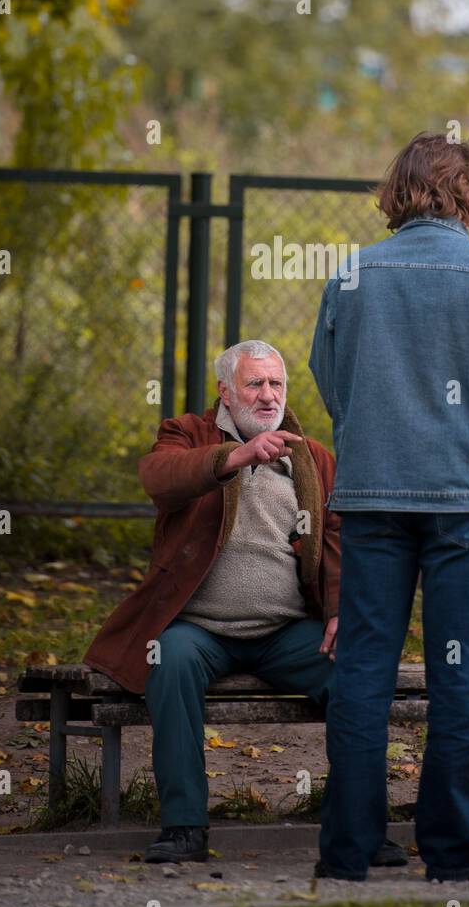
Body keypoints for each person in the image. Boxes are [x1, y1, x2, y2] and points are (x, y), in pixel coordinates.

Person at [308, 134, 469, 882]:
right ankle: (450, 848)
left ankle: (348, 850)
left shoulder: (351, 274)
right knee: (464, 676)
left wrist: (373, 435)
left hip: (371, 494)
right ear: (463, 193)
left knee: (361, 670)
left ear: (396, 189)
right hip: (468, 498)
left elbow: (330, 380)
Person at [84, 341, 413, 866]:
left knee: (356, 667)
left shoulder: (311, 457)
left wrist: (337, 609)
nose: (267, 395)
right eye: (254, 384)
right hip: (198, 630)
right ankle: (185, 826)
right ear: (225, 392)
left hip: (284, 632)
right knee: (165, 659)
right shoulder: (185, 434)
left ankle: (360, 828)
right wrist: (233, 456)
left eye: (276, 384)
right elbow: (158, 477)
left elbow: (336, 537)